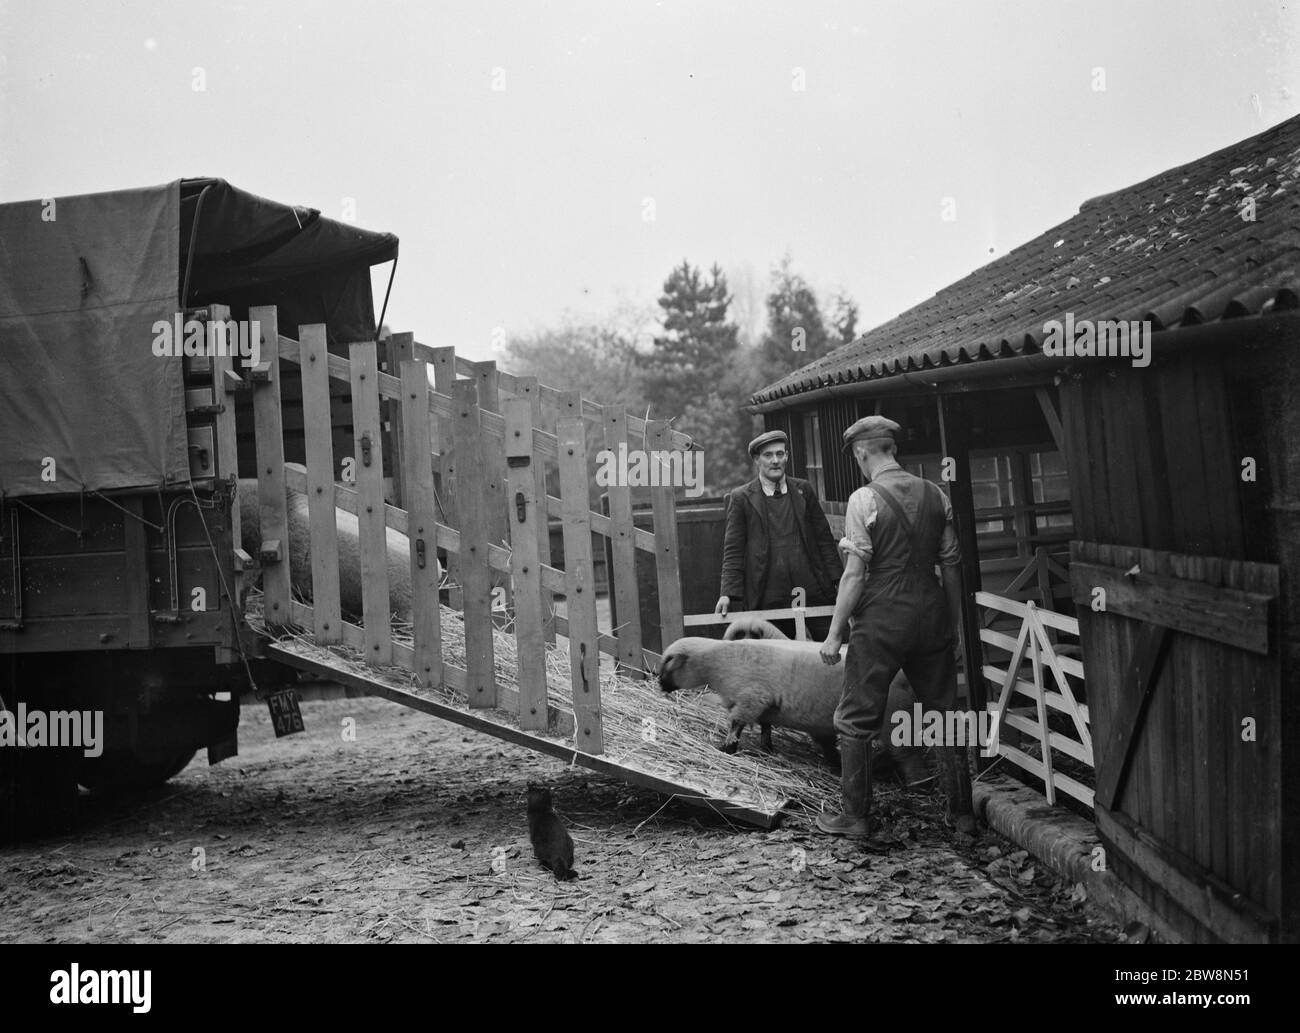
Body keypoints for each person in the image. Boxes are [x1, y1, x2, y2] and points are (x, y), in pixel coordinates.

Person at [815, 416, 974, 837]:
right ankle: (962, 817)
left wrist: (834, 633)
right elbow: (953, 565)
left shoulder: (863, 499)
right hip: (931, 613)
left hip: (882, 620)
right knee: (945, 714)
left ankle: (856, 817)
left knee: (855, 718)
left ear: (862, 452)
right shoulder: (935, 493)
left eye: (856, 456)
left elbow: (854, 575)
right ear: (893, 449)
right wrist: (952, 626)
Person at [715, 430, 842, 640]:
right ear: (757, 459)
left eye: (780, 454)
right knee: (775, 658)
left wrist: (838, 580)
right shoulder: (742, 498)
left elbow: (824, 539)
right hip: (768, 594)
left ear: (787, 456)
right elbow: (733, 550)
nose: (775, 461)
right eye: (768, 455)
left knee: (833, 646)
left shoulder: (804, 490)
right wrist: (726, 593)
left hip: (812, 589)